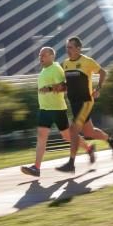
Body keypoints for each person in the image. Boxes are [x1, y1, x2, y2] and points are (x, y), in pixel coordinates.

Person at [20, 47, 95, 177]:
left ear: (51, 56)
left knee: (67, 136)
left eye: (43, 55)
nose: (40, 57)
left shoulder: (56, 69)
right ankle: (36, 168)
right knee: (41, 137)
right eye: (39, 55)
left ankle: (88, 149)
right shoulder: (44, 70)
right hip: (44, 109)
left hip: (57, 109)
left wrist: (49, 89)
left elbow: (65, 86)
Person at [56, 36, 113, 172]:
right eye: (67, 47)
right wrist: (61, 87)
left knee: (73, 131)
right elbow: (69, 83)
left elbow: (103, 72)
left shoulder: (87, 61)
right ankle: (112, 141)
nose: (68, 50)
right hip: (74, 103)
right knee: (89, 132)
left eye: (71, 47)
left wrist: (98, 88)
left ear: (79, 49)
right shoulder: (66, 63)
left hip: (86, 101)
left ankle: (71, 164)